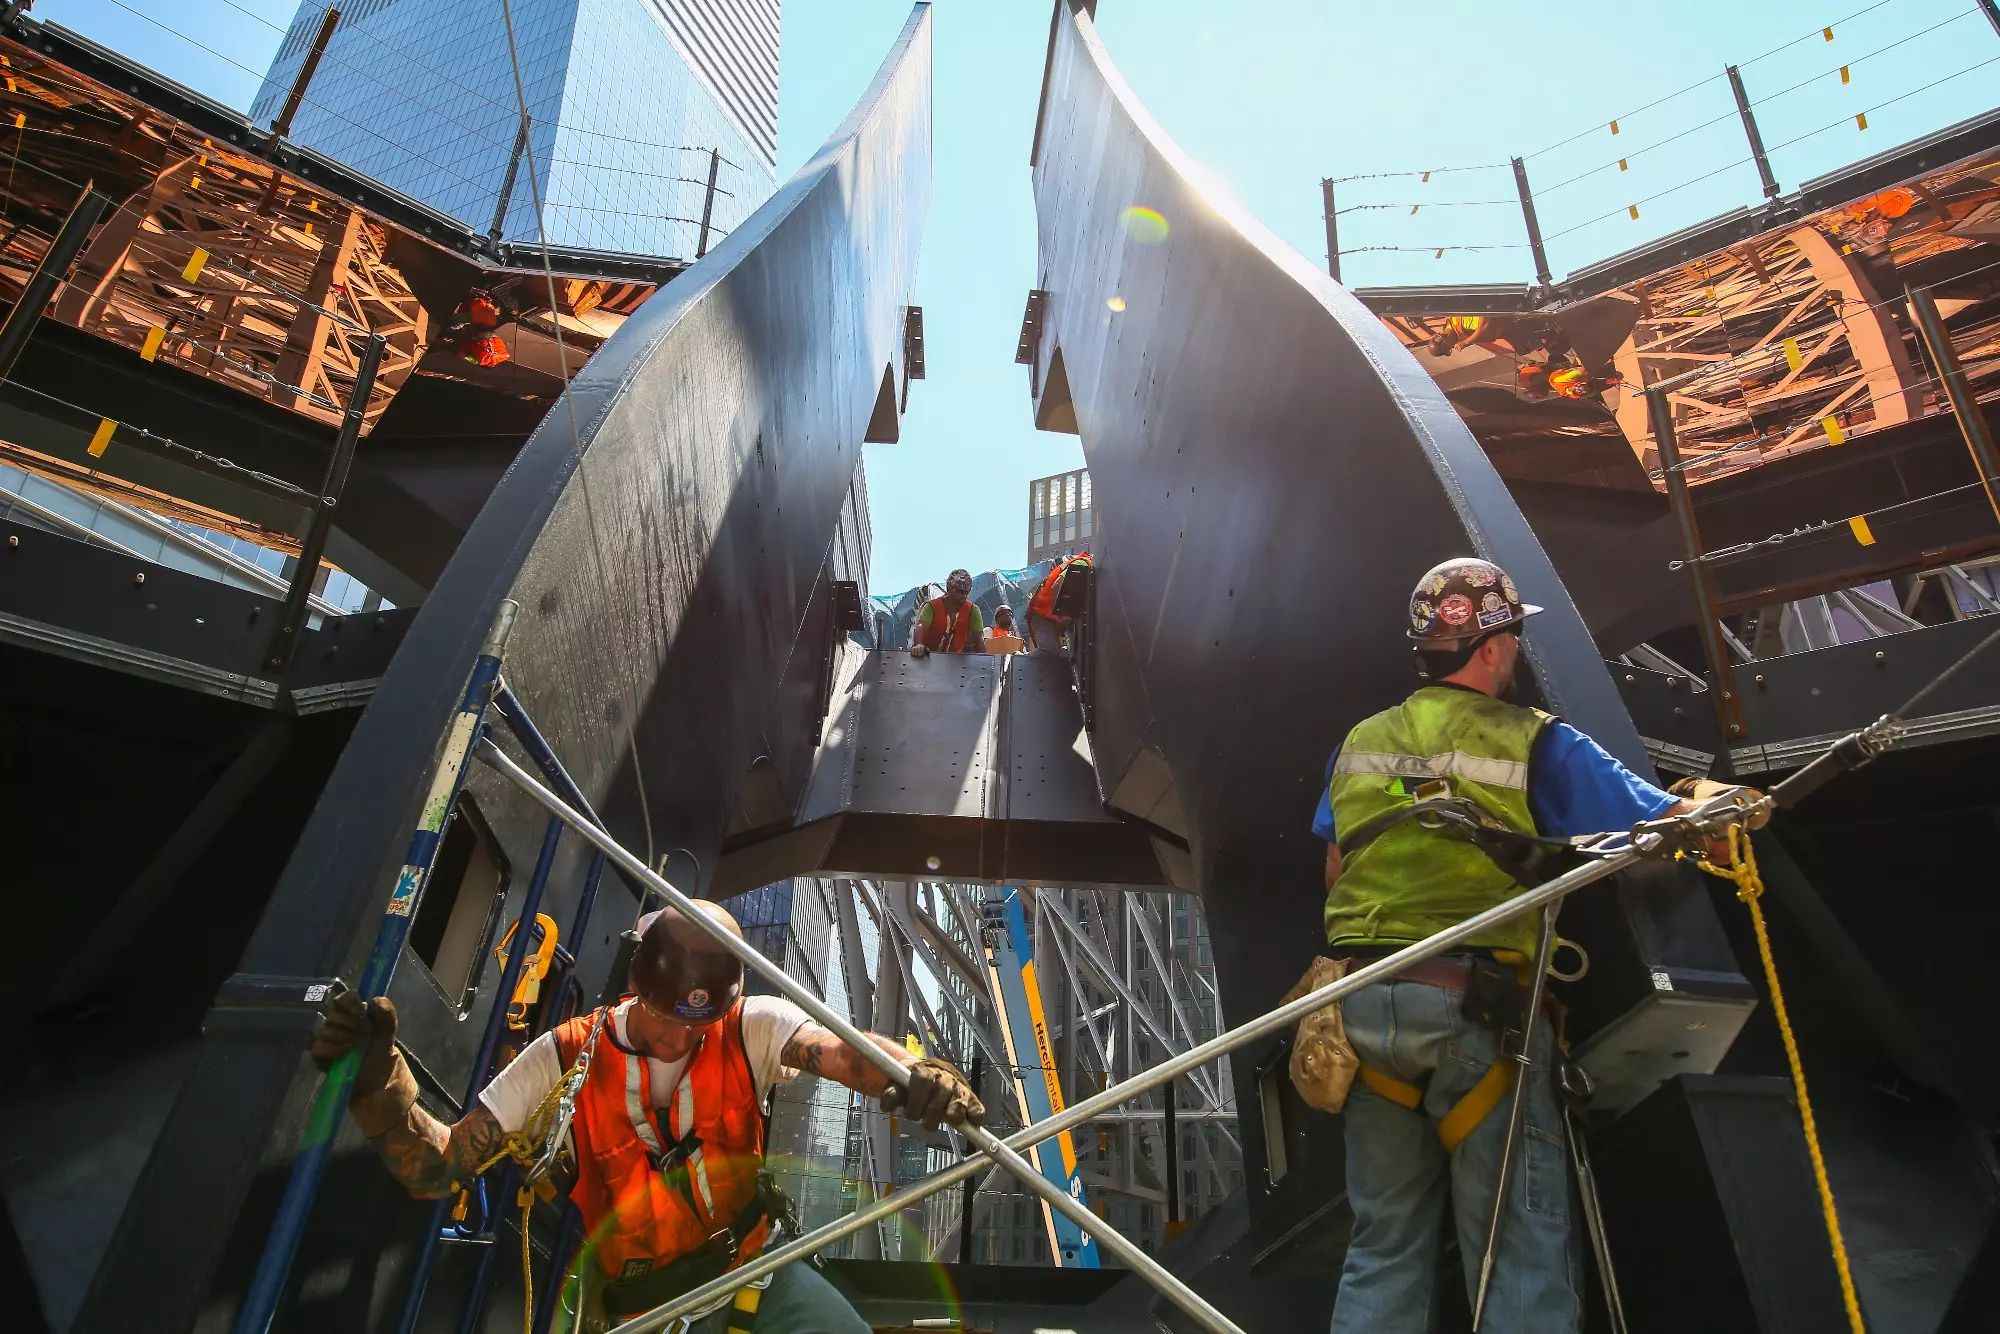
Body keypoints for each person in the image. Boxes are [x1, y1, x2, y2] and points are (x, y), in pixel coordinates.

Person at [1309, 557, 1762, 1334]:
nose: (1515, 649)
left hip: (1362, 1009)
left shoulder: (1362, 740)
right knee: (1518, 1246)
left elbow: (1336, 868)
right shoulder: (1529, 742)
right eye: (1512, 635)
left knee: (1384, 1248)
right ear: (1488, 648)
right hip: (1477, 1012)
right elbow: (1663, 825)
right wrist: (1727, 811)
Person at [310, 901, 984, 1333]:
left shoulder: (750, 1027)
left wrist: (914, 1075)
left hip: (760, 1277)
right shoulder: (562, 1060)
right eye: (664, 1020)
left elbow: (844, 1055)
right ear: (637, 989)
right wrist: (380, 1081)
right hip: (644, 1313)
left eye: (699, 1024)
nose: (677, 1041)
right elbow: (438, 1167)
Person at [1025, 551, 1091, 654]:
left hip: (1051, 614)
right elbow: (1057, 585)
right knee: (1050, 654)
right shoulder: (1083, 562)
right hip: (1042, 612)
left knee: (1060, 656)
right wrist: (1064, 614)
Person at [909, 568, 983, 657]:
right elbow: (921, 627)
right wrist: (918, 644)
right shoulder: (931, 606)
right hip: (927, 658)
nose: (963, 596)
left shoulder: (973, 610)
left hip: (954, 662)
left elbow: (979, 640)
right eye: (959, 591)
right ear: (948, 589)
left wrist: (984, 663)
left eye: (966, 592)